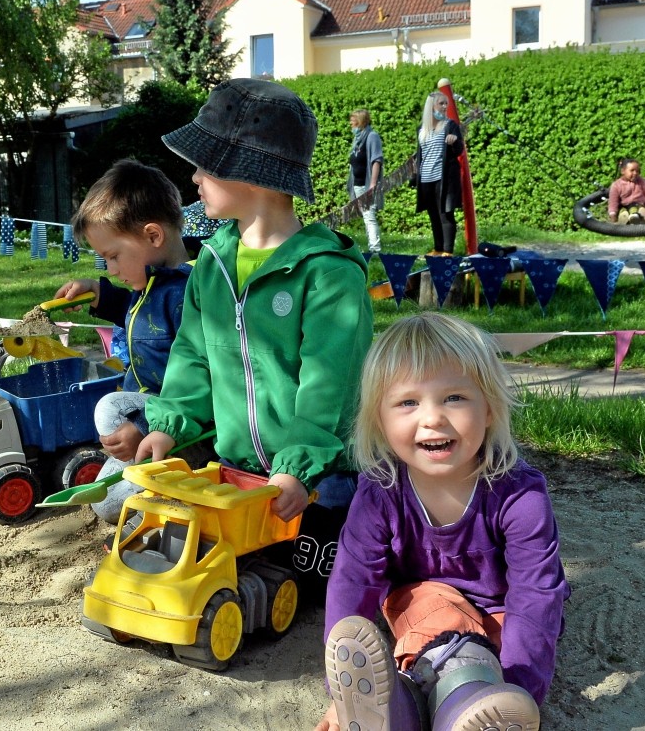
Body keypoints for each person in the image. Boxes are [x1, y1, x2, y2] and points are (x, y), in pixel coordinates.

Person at [133, 78, 373, 594]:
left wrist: (296, 470)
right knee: (197, 568)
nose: (194, 177)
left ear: (251, 174)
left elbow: (331, 384)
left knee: (311, 583)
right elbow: (193, 353)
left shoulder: (328, 273)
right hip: (236, 474)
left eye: (205, 165)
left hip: (318, 476)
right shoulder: (213, 263)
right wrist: (170, 423)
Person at [317, 312, 568, 731]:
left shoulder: (520, 495)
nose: (432, 417)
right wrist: (336, 693)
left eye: (454, 397)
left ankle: (461, 704)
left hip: (503, 612)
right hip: (421, 603)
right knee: (430, 615)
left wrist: (521, 686)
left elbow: (536, 594)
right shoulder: (380, 492)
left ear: (489, 409)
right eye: (408, 402)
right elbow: (352, 582)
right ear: (380, 418)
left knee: (479, 653)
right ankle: (401, 708)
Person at [49, 159, 194, 523]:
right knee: (106, 503)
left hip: (180, 429)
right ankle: (140, 473)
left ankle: (169, 490)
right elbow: (137, 317)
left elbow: (196, 383)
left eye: (113, 257)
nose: (111, 269)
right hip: (143, 413)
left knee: (106, 411)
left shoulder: (184, 297)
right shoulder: (148, 284)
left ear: (153, 236)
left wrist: (146, 427)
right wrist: (99, 293)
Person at [415, 89, 464, 257]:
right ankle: (438, 248)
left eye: (446, 103)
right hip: (426, 178)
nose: (444, 106)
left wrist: (454, 141)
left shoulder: (450, 126)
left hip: (444, 179)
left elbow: (459, 151)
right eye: (441, 103)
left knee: (446, 214)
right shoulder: (422, 129)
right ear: (431, 106)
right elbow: (420, 154)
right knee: (433, 215)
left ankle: (448, 251)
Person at [350, 108, 384, 253]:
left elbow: (376, 160)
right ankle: (372, 246)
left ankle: (375, 250)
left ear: (360, 122)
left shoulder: (372, 136)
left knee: (369, 217)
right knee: (366, 216)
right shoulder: (358, 139)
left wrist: (373, 184)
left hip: (366, 185)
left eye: (353, 122)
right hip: (357, 185)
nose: (351, 125)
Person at [606, 157, 645, 224]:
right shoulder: (617, 185)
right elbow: (613, 202)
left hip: (639, 205)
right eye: (632, 170)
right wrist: (612, 214)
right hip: (624, 206)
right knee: (623, 212)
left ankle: (644, 217)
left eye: (637, 171)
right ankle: (624, 219)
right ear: (623, 171)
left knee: (641, 209)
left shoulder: (641, 181)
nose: (635, 173)